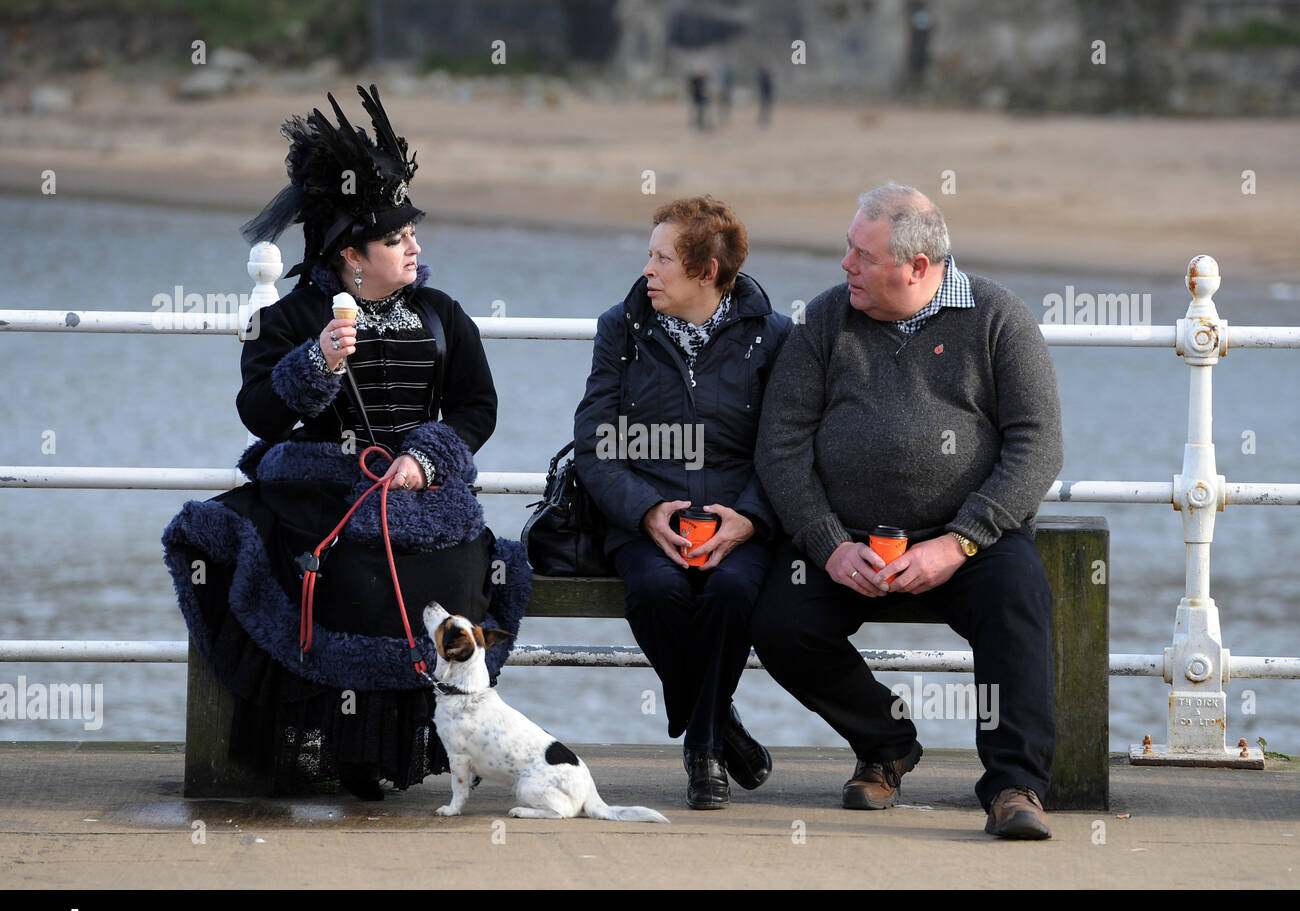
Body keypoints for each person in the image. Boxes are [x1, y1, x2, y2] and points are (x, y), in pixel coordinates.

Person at [162, 85, 530, 801]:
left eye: (411, 235)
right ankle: (326, 750)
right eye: (398, 239)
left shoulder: (441, 313)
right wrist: (317, 362)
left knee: (451, 576)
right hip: (322, 488)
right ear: (352, 258)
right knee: (331, 570)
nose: (415, 246)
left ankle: (390, 755)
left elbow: (477, 406)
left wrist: (427, 458)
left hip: (420, 494)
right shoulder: (295, 314)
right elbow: (260, 410)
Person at [752, 182, 1063, 839]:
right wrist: (829, 542)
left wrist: (959, 542)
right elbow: (780, 448)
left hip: (970, 539)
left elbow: (1038, 448)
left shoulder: (999, 318)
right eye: (847, 249)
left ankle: (1015, 784)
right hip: (847, 538)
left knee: (1018, 602)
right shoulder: (825, 320)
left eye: (862, 255)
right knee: (781, 622)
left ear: (918, 267)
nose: (845, 266)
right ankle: (887, 742)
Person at [574, 196, 792, 809]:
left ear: (706, 273)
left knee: (730, 592)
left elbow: (786, 447)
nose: (647, 270)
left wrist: (747, 519)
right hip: (641, 519)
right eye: (649, 255)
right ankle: (718, 732)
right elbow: (595, 443)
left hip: (739, 520)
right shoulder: (621, 329)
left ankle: (703, 748)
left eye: (661, 259)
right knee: (655, 591)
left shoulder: (773, 338)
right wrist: (646, 511)